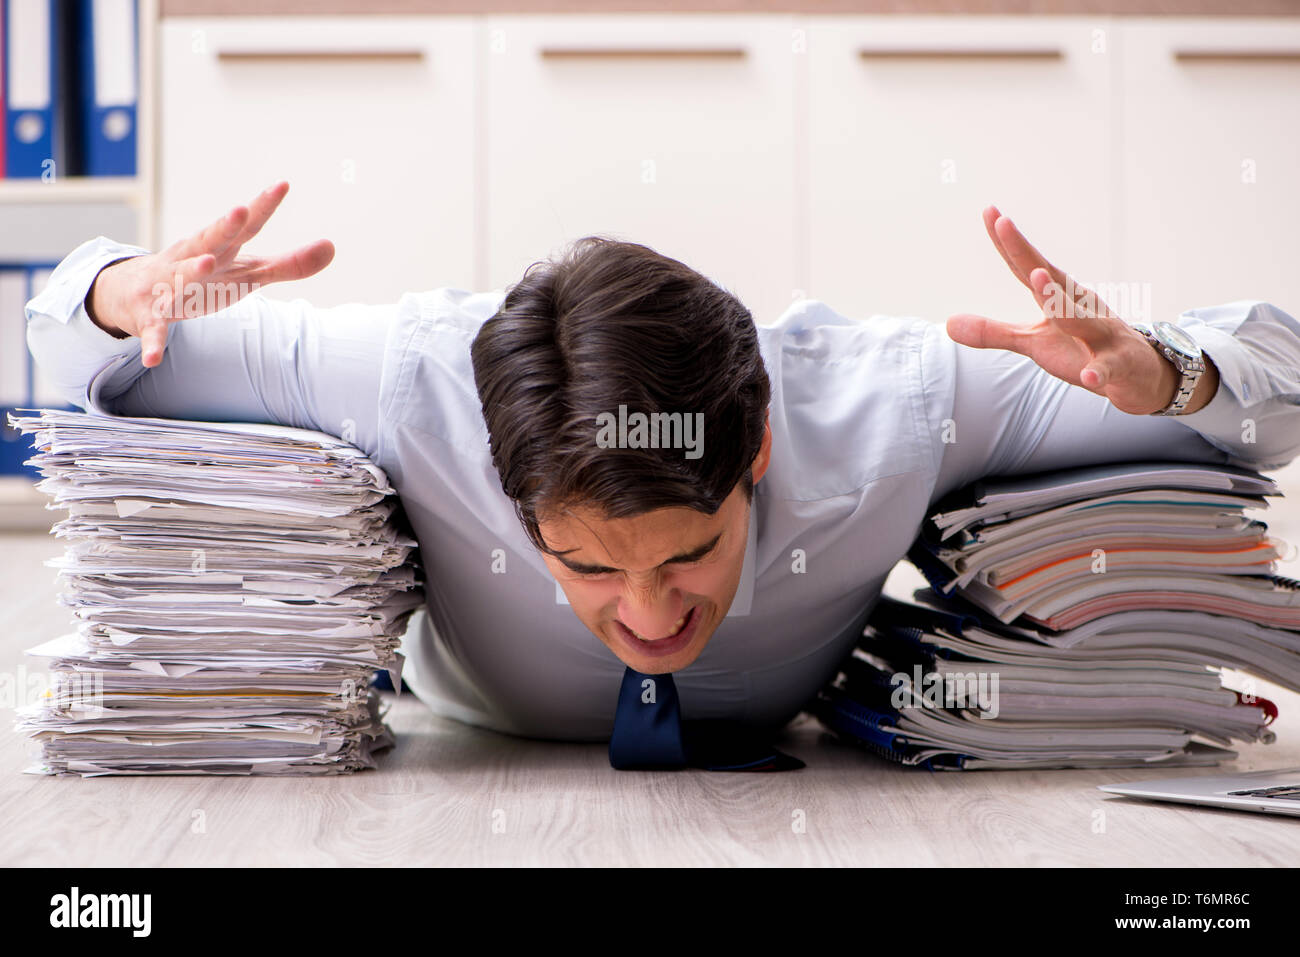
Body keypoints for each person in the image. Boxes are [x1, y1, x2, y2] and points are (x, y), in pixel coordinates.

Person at [25, 180, 1300, 746]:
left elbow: (1275, 400)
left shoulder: (895, 405)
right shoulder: (403, 378)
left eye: (687, 555)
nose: (646, 615)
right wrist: (115, 291)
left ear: (752, 457)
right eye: (582, 565)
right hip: (464, 733)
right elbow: (73, 359)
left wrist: (1178, 374)